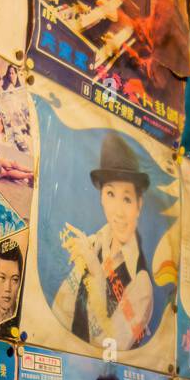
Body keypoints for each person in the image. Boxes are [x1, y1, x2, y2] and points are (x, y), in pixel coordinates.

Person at [52, 132, 155, 350]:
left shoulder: (140, 283)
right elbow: (61, 310)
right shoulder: (95, 243)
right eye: (110, 194)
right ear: (101, 198)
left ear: (139, 204)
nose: (118, 212)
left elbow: (108, 347)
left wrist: (97, 274)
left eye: (126, 198)